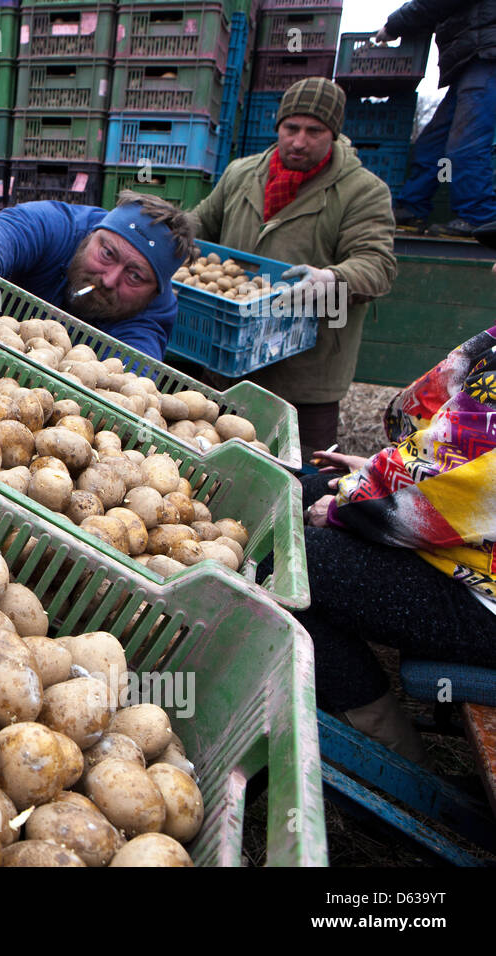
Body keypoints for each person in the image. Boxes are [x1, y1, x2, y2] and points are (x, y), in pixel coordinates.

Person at [272, 219, 496, 764]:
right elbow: (431, 429)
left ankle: (393, 762)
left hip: (485, 595)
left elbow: (469, 484)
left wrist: (355, 506)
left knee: (301, 565)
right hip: (477, 550)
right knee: (300, 491)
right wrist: (375, 473)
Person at [191, 77, 398, 462]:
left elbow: (378, 264)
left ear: (334, 134)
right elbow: (201, 222)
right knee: (208, 456)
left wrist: (333, 279)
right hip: (228, 359)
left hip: (305, 372)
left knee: (299, 470)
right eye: (291, 128)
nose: (299, 141)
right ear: (278, 126)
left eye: (314, 131)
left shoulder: (363, 191)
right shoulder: (242, 173)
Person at [0, 191, 196, 361]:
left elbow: (136, 378)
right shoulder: (59, 227)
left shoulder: (152, 313)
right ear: (91, 235)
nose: (109, 280)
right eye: (107, 253)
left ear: (154, 292)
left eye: (135, 276)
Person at [375, 0, 496, 238]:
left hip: (487, 57)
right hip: (471, 59)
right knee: (433, 142)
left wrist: (393, 26)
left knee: (466, 144)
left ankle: (479, 218)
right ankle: (413, 208)